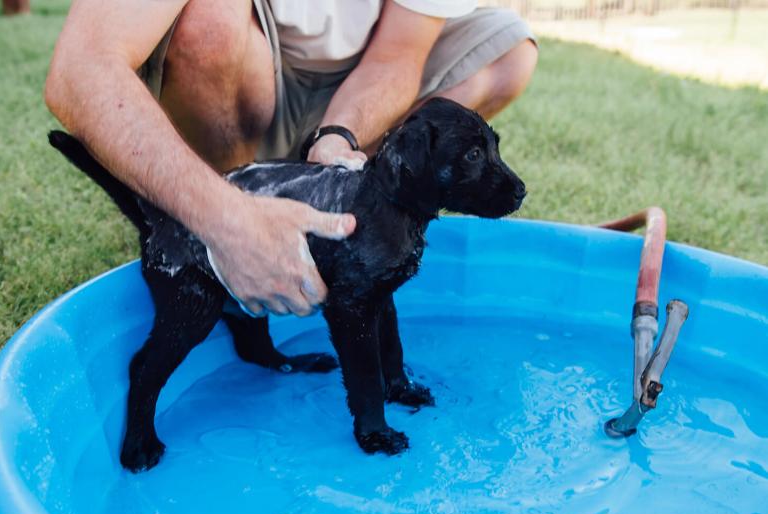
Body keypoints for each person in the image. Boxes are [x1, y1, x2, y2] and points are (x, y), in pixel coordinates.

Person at [44, 0, 537, 318]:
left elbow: (396, 56)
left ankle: (335, 190)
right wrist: (229, 223)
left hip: (357, 86)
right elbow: (80, 68)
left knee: (509, 52)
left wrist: (338, 135)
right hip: (250, 67)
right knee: (208, 25)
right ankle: (234, 198)